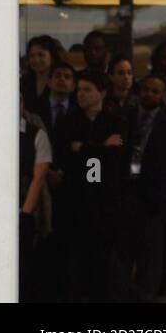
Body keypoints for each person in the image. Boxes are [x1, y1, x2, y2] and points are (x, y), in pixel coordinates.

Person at [55, 69, 126, 303]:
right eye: (79, 89)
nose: (80, 94)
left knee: (103, 257)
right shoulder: (68, 122)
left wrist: (85, 148)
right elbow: (67, 156)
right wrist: (100, 147)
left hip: (105, 201)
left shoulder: (116, 121)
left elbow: (116, 159)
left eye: (87, 90)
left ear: (102, 93)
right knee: (74, 256)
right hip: (75, 199)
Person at [113, 73, 166, 303]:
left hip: (153, 200)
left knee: (150, 260)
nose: (149, 94)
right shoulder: (124, 117)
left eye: (155, 91)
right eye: (146, 89)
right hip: (125, 194)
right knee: (122, 256)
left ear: (164, 96)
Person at [19, 97, 53, 303]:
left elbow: (39, 177)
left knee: (24, 266)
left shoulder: (36, 133)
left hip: (24, 207)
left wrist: (25, 213)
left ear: (22, 104)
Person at [20, 36, 60, 115]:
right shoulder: (23, 82)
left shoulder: (60, 80)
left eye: (41, 55)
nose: (36, 60)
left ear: (52, 57)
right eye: (32, 56)